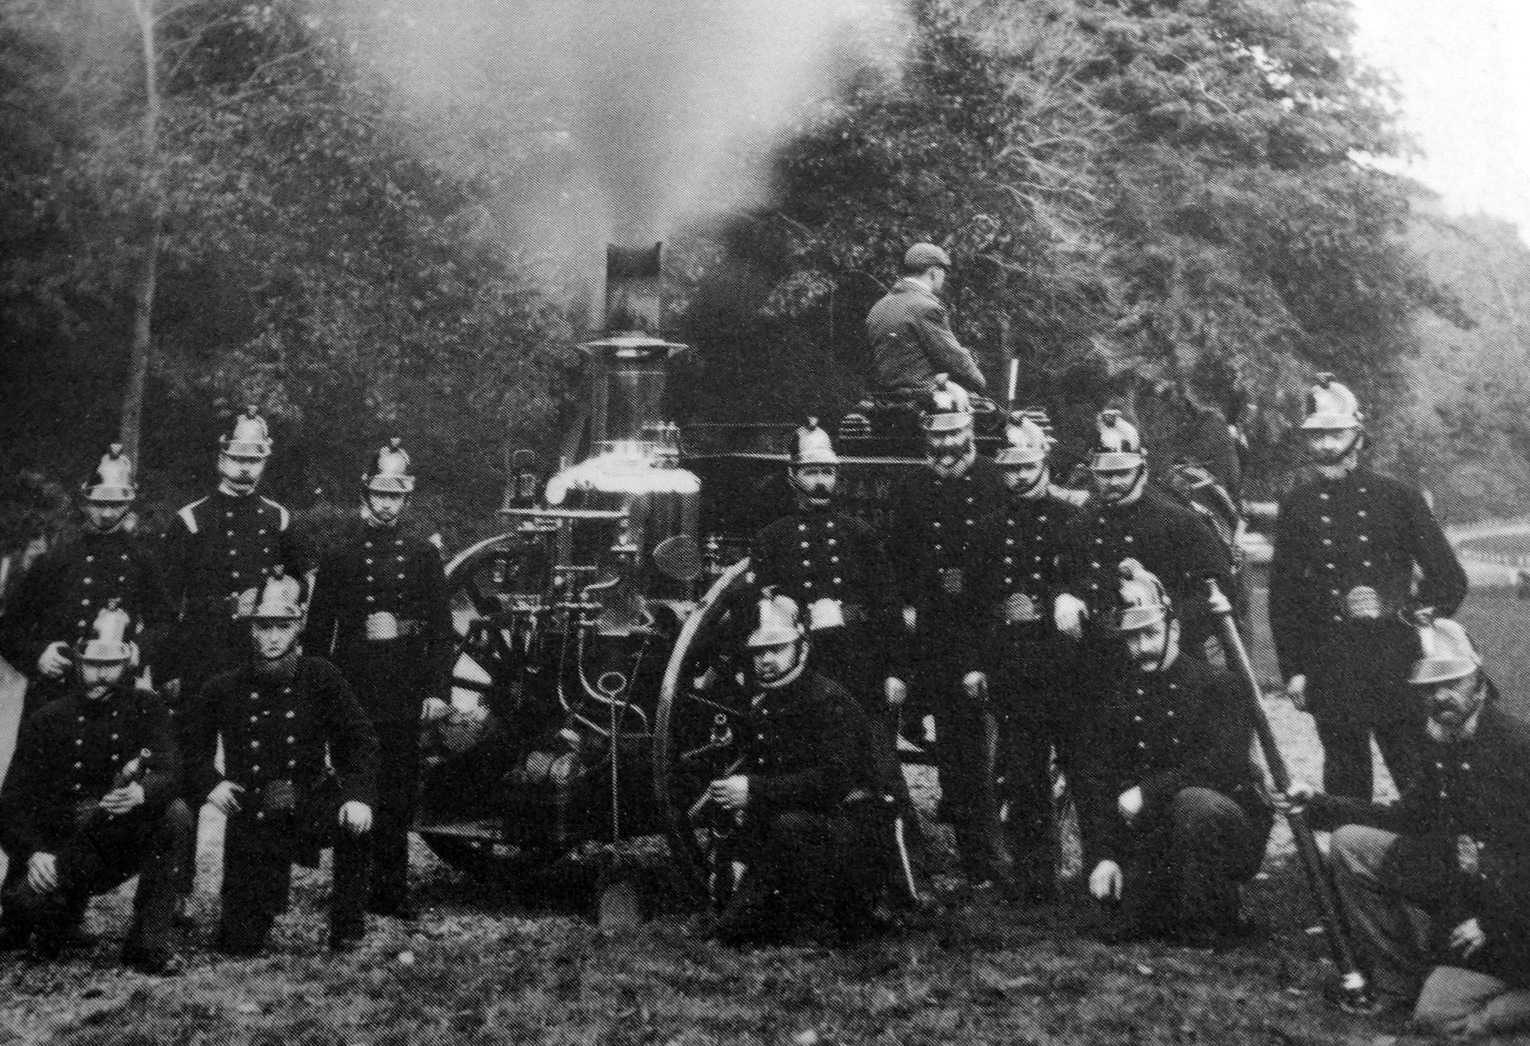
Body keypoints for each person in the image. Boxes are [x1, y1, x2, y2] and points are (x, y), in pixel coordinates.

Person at [1283, 619, 1530, 1037]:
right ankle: (1399, 982)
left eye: (1452, 683)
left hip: (1515, 907)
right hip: (1463, 885)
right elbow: (1409, 817)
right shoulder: (1440, 741)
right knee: (1350, 844)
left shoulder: (1517, 746)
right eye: (1430, 688)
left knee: (1439, 1018)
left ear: (1479, 681)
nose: (1440, 696)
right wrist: (1321, 806)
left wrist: (1493, 921)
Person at [1269, 374, 1467, 800]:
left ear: (1358, 435)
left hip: (1395, 659)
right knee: (1344, 778)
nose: (1323, 445)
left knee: (1415, 771)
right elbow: (1284, 598)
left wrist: (1395, 606)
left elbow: (1450, 581)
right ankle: (1347, 859)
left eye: (1334, 433)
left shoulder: (1398, 497)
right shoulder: (1296, 505)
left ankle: (1431, 859)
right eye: (1316, 435)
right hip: (1331, 664)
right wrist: (1295, 670)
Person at [157, 407, 308, 912]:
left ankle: (251, 889)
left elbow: (301, 582)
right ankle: (174, 892)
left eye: (254, 459)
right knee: (191, 773)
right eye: (236, 457)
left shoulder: (279, 518)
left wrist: (284, 596)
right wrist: (170, 671)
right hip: (201, 662)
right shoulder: (191, 519)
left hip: (256, 664)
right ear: (221, 458)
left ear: (265, 463)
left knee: (259, 767)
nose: (245, 468)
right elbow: (163, 606)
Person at [1075, 560, 1271, 947]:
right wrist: (1105, 856)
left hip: (1226, 823)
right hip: (1158, 829)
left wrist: (1148, 792)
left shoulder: (1219, 685)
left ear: (1174, 630)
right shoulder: (1120, 695)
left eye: (1150, 634)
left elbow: (1225, 765)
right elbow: (1102, 777)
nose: (1142, 648)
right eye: (1132, 638)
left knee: (1193, 803)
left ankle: (1209, 926)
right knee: (1118, 926)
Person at [184, 570, 379, 956]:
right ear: (250, 629)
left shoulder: (321, 676)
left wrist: (357, 796)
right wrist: (212, 783)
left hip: (309, 797)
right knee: (239, 943)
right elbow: (189, 748)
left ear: (298, 628)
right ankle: (256, 908)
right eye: (263, 627)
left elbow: (360, 740)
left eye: (282, 627)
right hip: (252, 809)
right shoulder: (223, 686)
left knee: (356, 824)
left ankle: (348, 926)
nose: (272, 637)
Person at [303, 440, 450, 922]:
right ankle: (353, 889)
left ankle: (392, 887)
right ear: (365, 494)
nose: (387, 504)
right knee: (355, 784)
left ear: (407, 499)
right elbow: (319, 634)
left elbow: (443, 633)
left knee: (399, 789)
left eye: (396, 496)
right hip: (355, 683)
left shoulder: (424, 555)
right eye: (378, 494)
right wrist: (318, 695)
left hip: (405, 684)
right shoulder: (340, 555)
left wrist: (436, 690)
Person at [0, 604, 191, 974]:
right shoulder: (47, 718)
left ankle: (148, 944)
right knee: (26, 909)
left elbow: (171, 769)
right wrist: (33, 854)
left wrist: (142, 792)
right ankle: (62, 914)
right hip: (60, 850)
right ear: (77, 662)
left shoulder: (147, 708)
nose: (101, 674)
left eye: (112, 665)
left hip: (116, 841)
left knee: (175, 815)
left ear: (127, 664)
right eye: (92, 664)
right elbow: (10, 803)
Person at [705, 591, 885, 945]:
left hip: (850, 827)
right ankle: (754, 920)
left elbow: (834, 782)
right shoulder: (769, 701)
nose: (766, 660)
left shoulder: (828, 702)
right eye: (759, 652)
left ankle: (817, 932)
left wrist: (754, 791)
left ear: (802, 649)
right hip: (802, 824)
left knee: (790, 829)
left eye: (777, 649)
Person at [884, 385, 1011, 887]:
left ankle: (983, 863)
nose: (947, 447)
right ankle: (925, 852)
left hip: (981, 630)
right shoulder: (911, 490)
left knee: (970, 753)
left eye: (956, 434)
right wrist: (912, 606)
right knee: (945, 750)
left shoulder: (994, 483)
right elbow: (899, 559)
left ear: (971, 432)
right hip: (930, 631)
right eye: (937, 438)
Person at [1054, 409, 1234, 741]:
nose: (1111, 482)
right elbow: (1064, 575)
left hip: (1165, 662)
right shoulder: (1082, 524)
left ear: (1142, 469)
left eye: (1122, 472)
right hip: (1103, 662)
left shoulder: (1178, 522)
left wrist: (1168, 629)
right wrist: (1064, 597)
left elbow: (1219, 589)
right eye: (1104, 474)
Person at [970, 414, 1078, 903]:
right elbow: (972, 604)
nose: (1017, 476)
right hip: (1014, 668)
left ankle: (1101, 869)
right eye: (1009, 467)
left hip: (1066, 666)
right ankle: (1035, 879)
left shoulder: (1072, 520)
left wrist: (1056, 601)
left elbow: (1084, 586)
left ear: (1044, 462)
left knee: (1083, 768)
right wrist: (978, 661)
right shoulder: (990, 528)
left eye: (1027, 465)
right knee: (1024, 774)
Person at [0, 446, 174, 714]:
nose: (106, 514)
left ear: (129, 503)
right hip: (53, 696)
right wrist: (37, 656)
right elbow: (9, 627)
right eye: (100, 503)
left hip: (116, 695)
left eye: (115, 504)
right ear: (85, 501)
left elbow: (164, 622)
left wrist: (138, 650)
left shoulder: (142, 561)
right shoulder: (54, 560)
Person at [867, 242, 987, 401]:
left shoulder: (879, 307)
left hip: (884, 404)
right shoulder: (926, 307)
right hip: (926, 404)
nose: (943, 280)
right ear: (934, 272)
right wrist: (979, 383)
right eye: (943, 273)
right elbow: (953, 358)